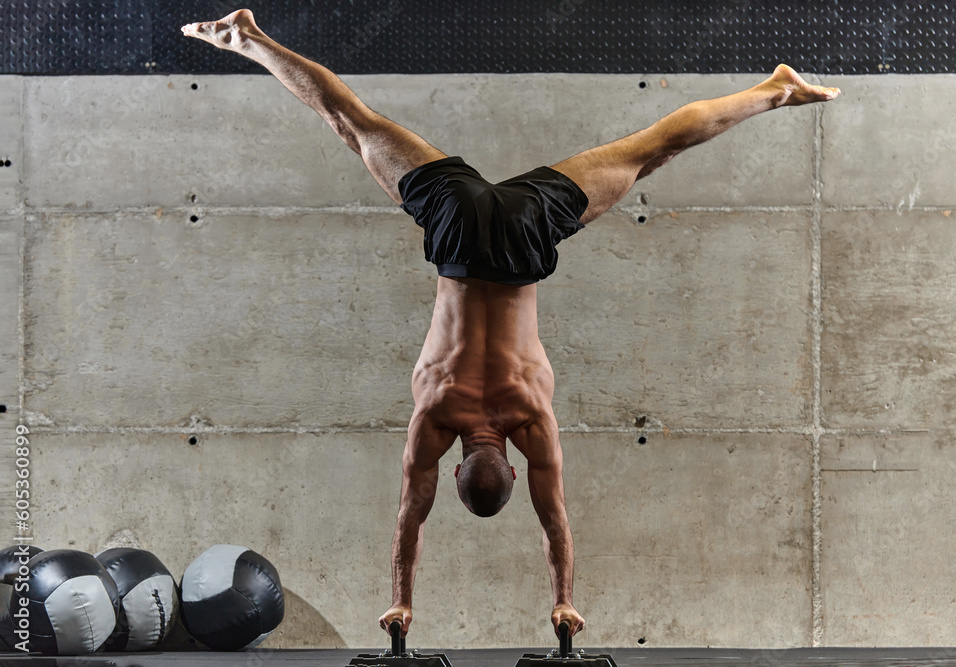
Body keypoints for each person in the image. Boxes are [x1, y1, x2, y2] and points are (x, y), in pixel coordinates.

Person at [182, 9, 840, 641]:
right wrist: (400, 598)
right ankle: (251, 39)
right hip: (460, 236)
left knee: (650, 154)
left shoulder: (532, 419)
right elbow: (411, 514)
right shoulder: (435, 414)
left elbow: (555, 523)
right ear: (455, 463)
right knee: (353, 125)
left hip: (525, 234)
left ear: (513, 469)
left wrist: (565, 600)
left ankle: (774, 92)